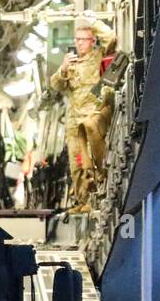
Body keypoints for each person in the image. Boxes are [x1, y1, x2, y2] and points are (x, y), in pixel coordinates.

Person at [48, 13, 116, 212]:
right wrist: (63, 69)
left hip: (92, 115)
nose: (79, 44)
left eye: (83, 40)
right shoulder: (71, 64)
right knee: (76, 164)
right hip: (73, 122)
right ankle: (82, 201)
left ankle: (97, 198)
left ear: (91, 40)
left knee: (92, 163)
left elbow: (111, 38)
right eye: (77, 40)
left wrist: (93, 22)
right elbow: (56, 85)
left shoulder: (97, 57)